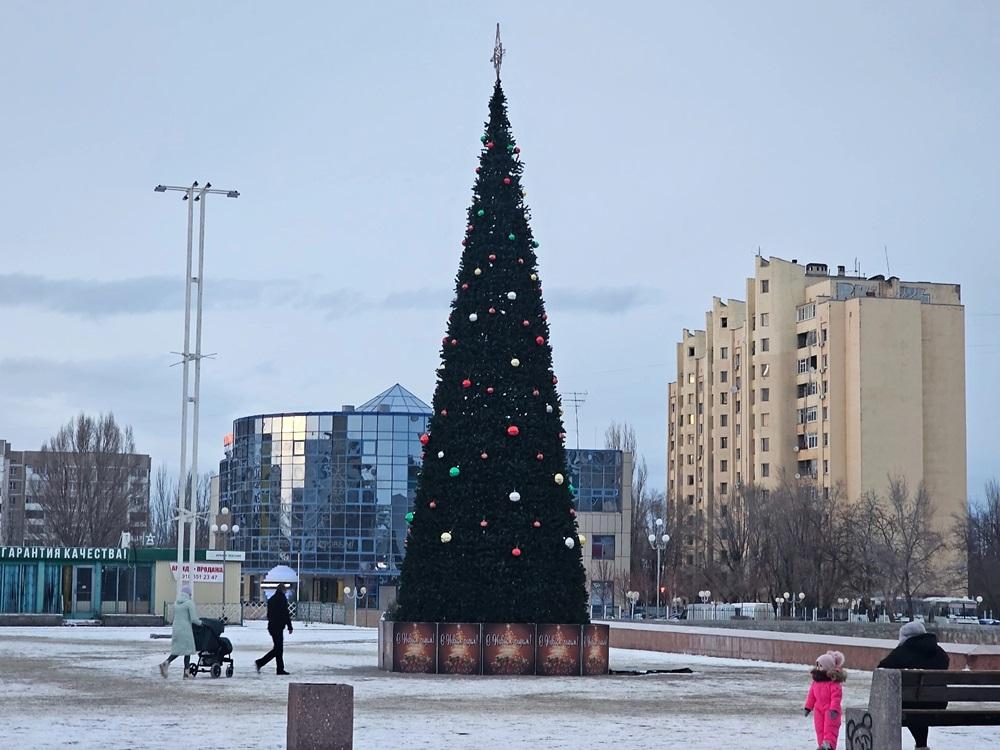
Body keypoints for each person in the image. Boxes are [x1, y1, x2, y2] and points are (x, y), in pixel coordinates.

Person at [877, 620, 950, 750]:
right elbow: (946, 662)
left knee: (911, 705)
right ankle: (922, 745)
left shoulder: (903, 650)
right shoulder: (940, 652)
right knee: (918, 705)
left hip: (910, 703)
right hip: (937, 703)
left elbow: (881, 668)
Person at [804, 650, 846, 750]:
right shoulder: (816, 681)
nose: (818, 668)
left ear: (827, 667)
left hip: (830, 710)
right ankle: (821, 746)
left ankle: (829, 745)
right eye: (817, 665)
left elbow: (836, 697)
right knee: (819, 729)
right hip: (818, 709)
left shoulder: (833, 683)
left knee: (830, 728)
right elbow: (811, 695)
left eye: (821, 665)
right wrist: (808, 707)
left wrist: (834, 709)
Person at [159, 583, 201, 678]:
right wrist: (201, 623)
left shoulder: (176, 603)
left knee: (178, 649)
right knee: (188, 651)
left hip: (176, 628)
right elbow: (194, 619)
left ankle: (168, 663)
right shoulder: (189, 603)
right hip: (185, 629)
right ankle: (185, 673)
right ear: (189, 594)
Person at [255, 585, 293, 675]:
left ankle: (279, 669)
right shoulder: (282, 599)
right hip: (278, 627)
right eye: (285, 590)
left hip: (272, 627)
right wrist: (289, 626)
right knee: (278, 649)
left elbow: (269, 614)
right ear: (282, 590)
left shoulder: (272, 599)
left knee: (278, 648)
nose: (286, 592)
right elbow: (285, 613)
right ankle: (261, 662)